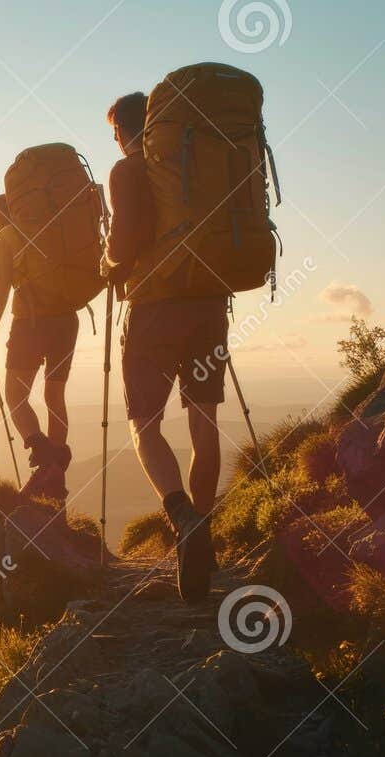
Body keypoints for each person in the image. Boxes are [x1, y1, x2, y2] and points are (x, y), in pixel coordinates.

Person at [103, 90, 228, 603]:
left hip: (155, 309)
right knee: (204, 422)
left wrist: (110, 266)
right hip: (210, 305)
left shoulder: (128, 171)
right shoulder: (196, 166)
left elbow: (127, 241)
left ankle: (182, 520)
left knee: (143, 424)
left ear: (123, 131)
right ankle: (204, 532)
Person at [0, 194, 76, 502]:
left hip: (30, 324)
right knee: (54, 396)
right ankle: (56, 475)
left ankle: (46, 464)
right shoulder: (55, 228)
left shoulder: (6, 236)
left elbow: (1, 287)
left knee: (16, 396)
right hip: (66, 320)